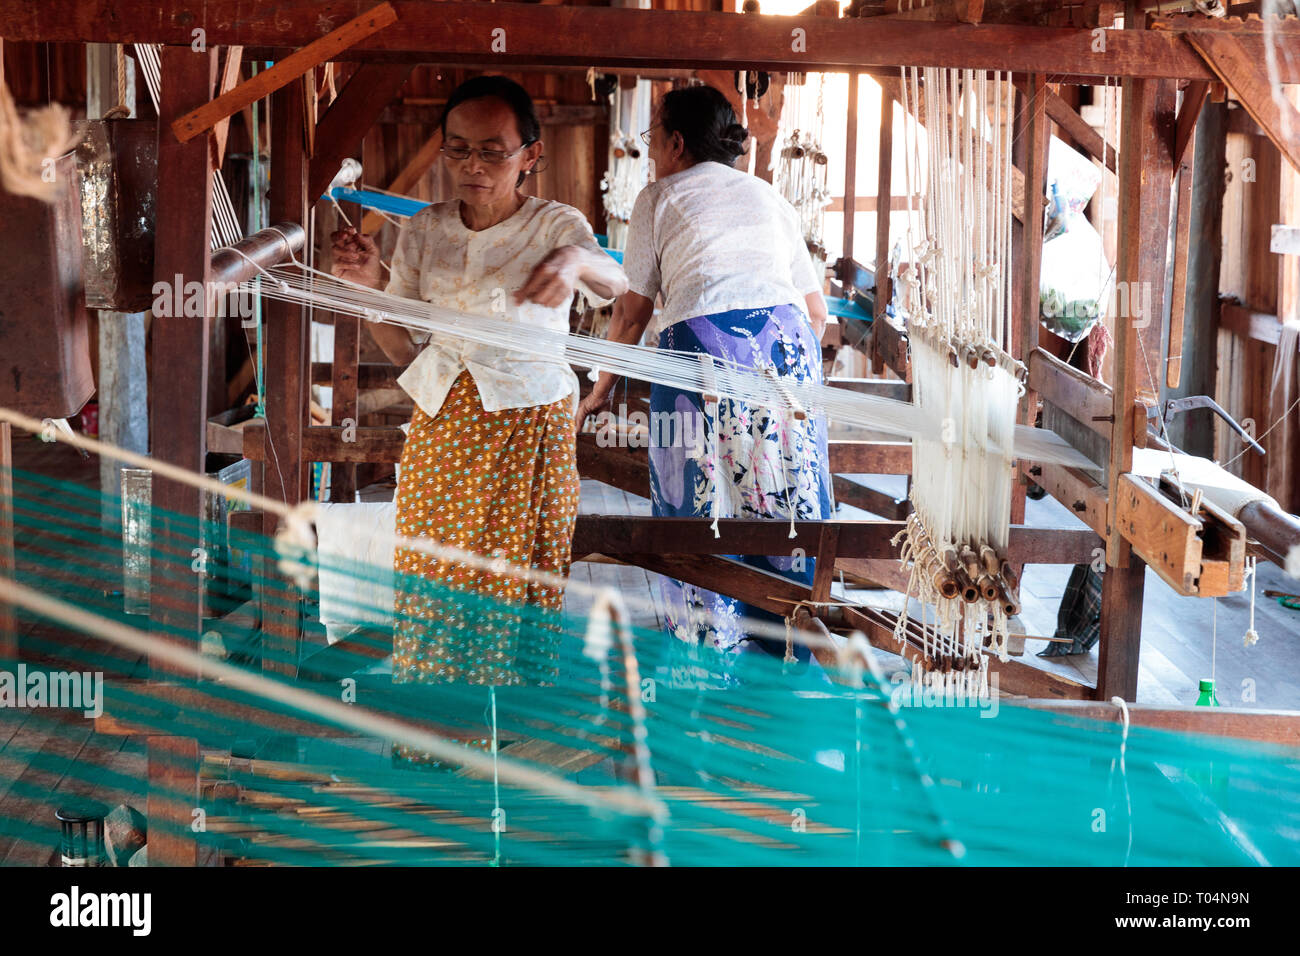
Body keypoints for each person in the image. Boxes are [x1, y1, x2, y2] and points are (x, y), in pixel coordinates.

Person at [331, 76, 627, 763]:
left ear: (530, 154)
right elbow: (402, 343)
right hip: (444, 420)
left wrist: (577, 259)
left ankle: (505, 746)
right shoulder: (427, 229)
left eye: (491, 152)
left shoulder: (556, 225)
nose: (472, 166)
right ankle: (438, 739)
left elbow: (619, 284)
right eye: (458, 149)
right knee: (434, 574)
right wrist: (369, 289)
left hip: (530, 421)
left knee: (514, 574)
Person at [577, 84, 832, 684]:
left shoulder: (658, 197)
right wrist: (785, 381)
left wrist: (599, 389)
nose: (649, 152)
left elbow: (632, 313)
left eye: (651, 138)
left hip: (701, 351)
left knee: (702, 496)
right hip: (787, 349)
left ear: (674, 142)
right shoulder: (768, 197)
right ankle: (790, 651)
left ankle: (708, 655)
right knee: (782, 494)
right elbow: (816, 312)